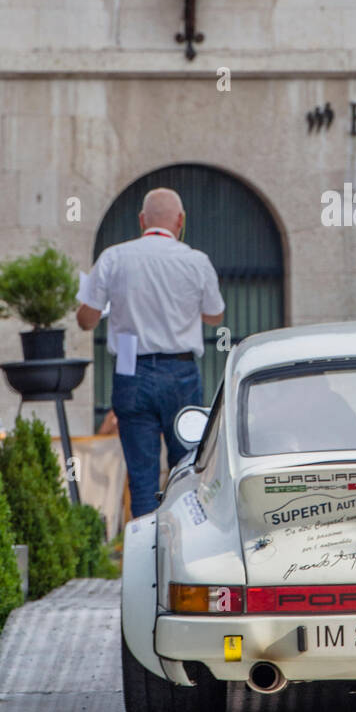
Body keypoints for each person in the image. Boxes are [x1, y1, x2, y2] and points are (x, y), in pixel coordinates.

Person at [77, 187, 225, 517]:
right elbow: (216, 316)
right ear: (180, 220)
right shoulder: (195, 260)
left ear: (142, 220)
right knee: (186, 470)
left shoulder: (113, 257)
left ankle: (147, 557)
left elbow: (85, 320)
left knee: (142, 478)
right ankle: (182, 548)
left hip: (130, 364)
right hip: (180, 368)